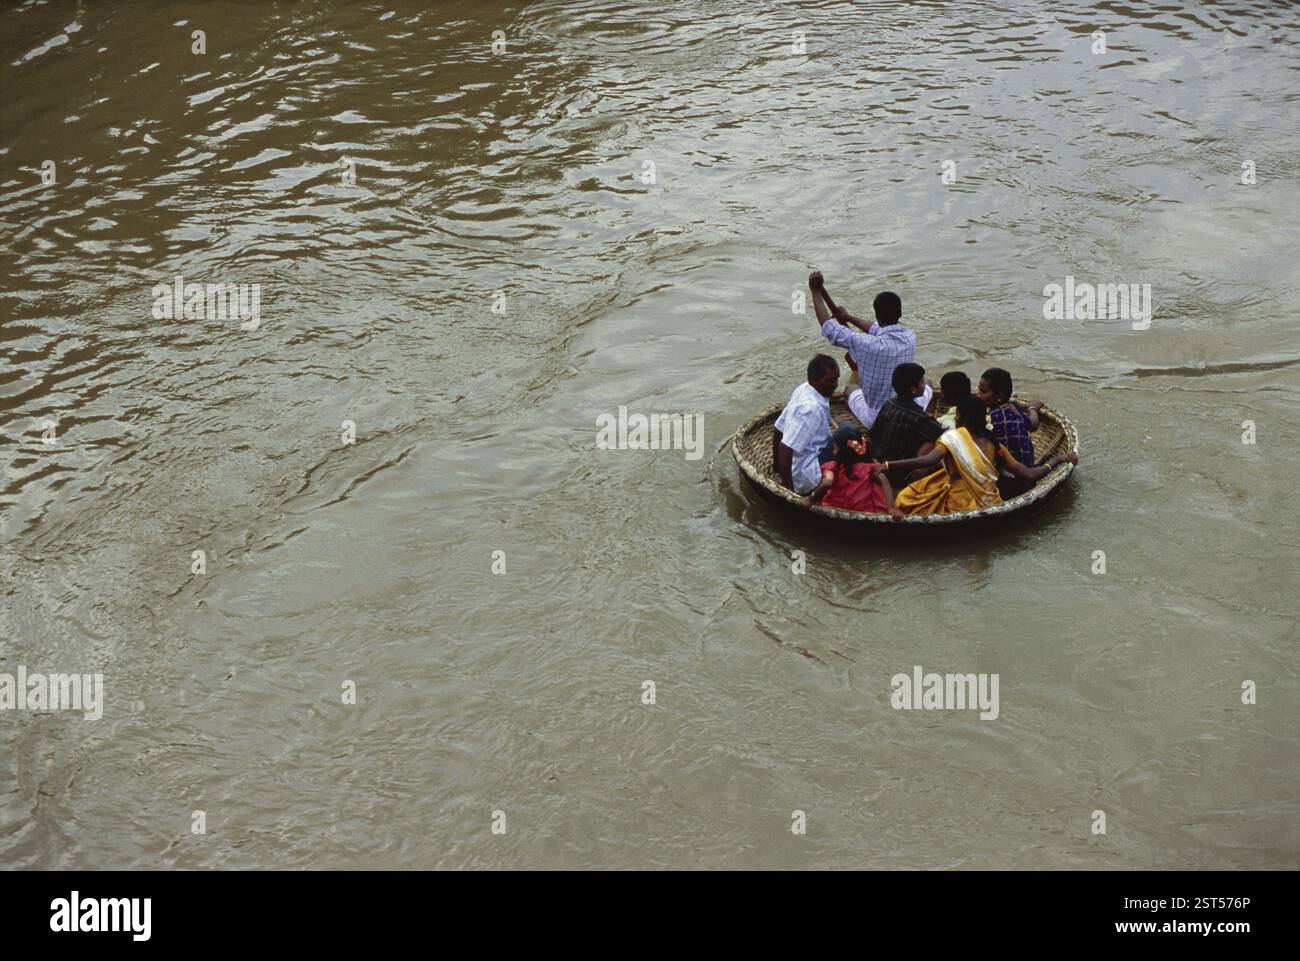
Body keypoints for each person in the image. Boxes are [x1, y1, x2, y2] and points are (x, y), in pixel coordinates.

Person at [886, 397, 1078, 516]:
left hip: (960, 503)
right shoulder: (994, 442)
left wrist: (888, 465)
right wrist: (1056, 460)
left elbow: (928, 461)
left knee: (906, 498)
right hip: (990, 501)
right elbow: (1028, 474)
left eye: (957, 415)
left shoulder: (952, 438)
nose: (955, 419)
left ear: (964, 419)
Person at [808, 271, 914, 428]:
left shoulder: (865, 344)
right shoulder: (910, 337)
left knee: (851, 387)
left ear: (877, 315)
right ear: (899, 313)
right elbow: (877, 329)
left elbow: (829, 327)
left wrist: (815, 292)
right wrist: (848, 318)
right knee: (927, 383)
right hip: (906, 411)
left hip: (877, 420)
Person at [869, 362, 945, 490]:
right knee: (936, 441)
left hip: (880, 460)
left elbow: (874, 435)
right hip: (900, 471)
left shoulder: (889, 403)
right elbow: (943, 435)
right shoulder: (919, 417)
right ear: (913, 389)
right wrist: (925, 464)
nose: (925, 384)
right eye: (921, 382)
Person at [798, 424, 901, 515]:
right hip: (865, 511)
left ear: (841, 452)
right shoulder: (871, 467)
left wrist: (811, 499)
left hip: (834, 508)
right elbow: (884, 480)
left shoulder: (832, 467)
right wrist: (891, 507)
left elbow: (827, 483)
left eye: (834, 449)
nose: (833, 452)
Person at [773, 353, 838, 494]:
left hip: (803, 460)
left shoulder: (804, 388)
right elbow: (785, 448)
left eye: (837, 379)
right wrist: (789, 491)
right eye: (830, 380)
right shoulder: (811, 409)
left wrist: (776, 467)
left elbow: (778, 428)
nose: (835, 385)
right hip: (806, 477)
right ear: (814, 379)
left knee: (840, 439)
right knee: (847, 436)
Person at [977, 367, 1042, 467]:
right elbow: (1033, 425)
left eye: (983, 392)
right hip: (1029, 467)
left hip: (1009, 473)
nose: (979, 395)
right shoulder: (1014, 409)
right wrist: (1032, 408)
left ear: (999, 396)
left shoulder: (990, 418)